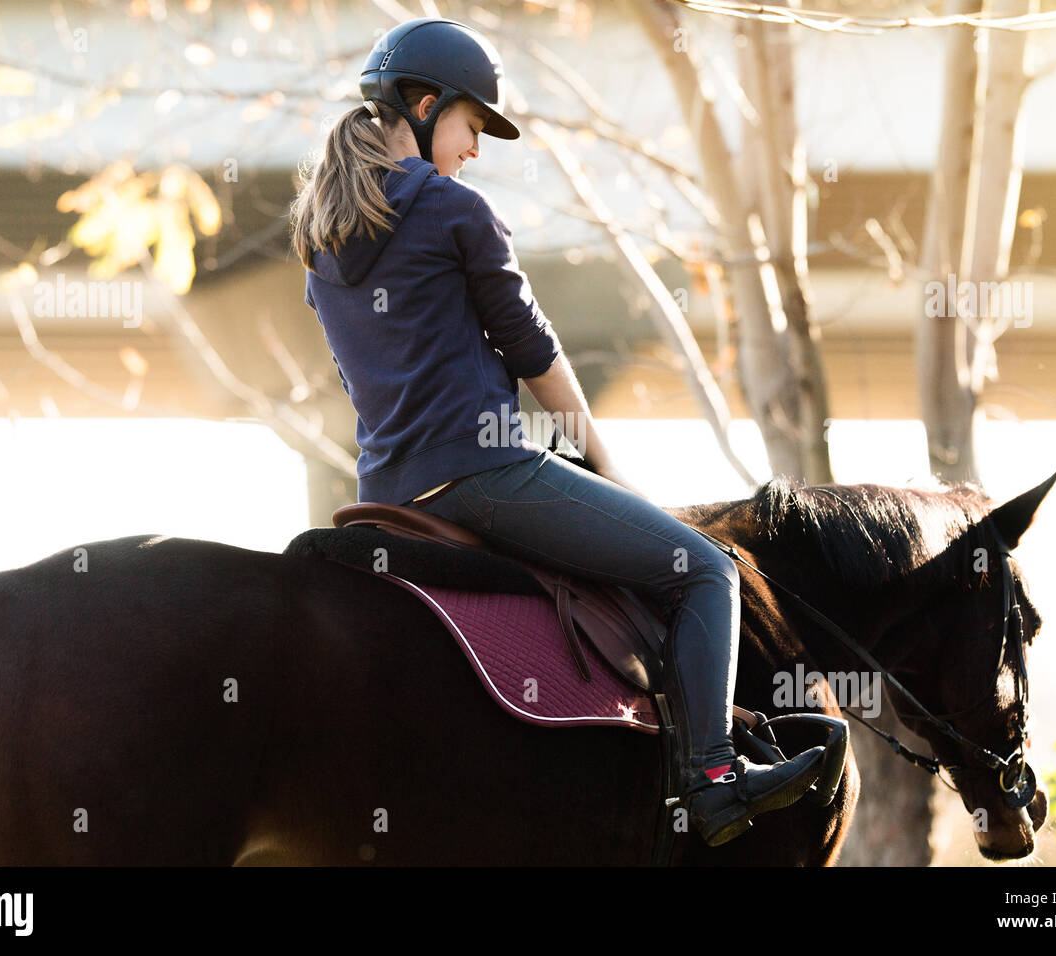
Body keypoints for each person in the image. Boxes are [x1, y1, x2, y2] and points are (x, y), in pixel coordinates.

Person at [290, 16, 825, 847]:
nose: (473, 150)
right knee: (705, 571)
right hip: (485, 474)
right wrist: (609, 468)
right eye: (471, 126)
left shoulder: (321, 241)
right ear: (425, 105)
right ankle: (713, 778)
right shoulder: (451, 209)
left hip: (387, 494)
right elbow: (534, 351)